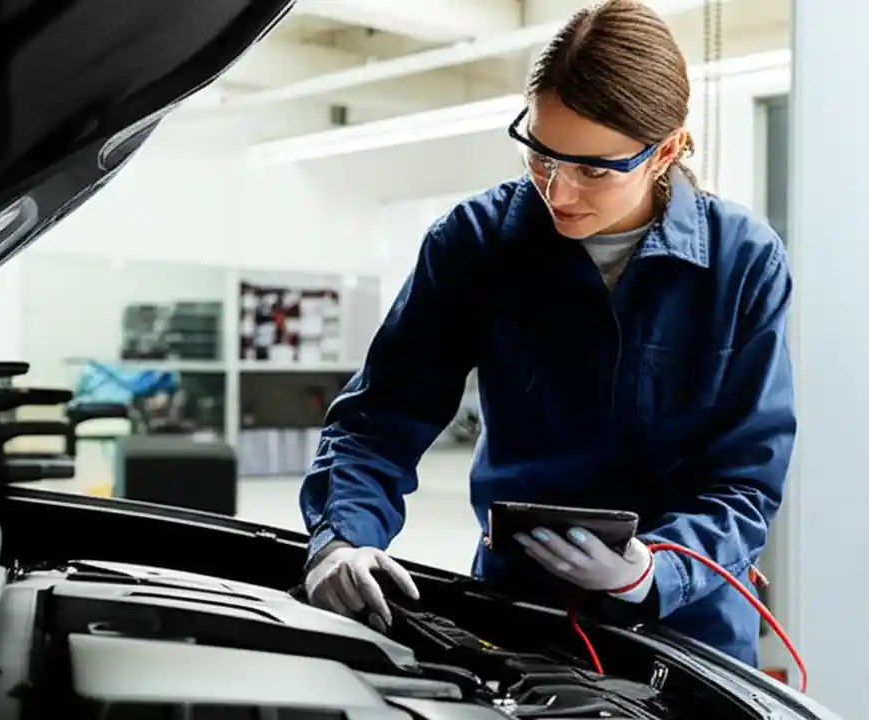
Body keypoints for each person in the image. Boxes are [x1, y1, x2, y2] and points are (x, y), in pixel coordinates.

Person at [300, 0, 796, 667]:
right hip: (515, 616)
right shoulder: (474, 244)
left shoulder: (742, 262)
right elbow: (377, 422)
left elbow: (744, 482)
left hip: (688, 630)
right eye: (541, 155)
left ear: (667, 150)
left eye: (593, 170)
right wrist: (342, 539)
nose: (558, 193)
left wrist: (655, 571)